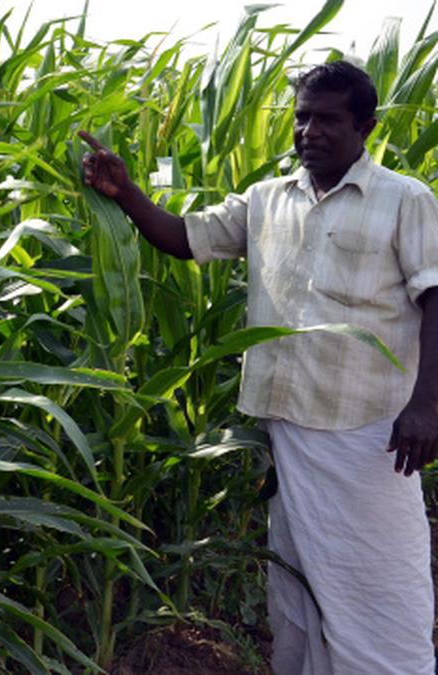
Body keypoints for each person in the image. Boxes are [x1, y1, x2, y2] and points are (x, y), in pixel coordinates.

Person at [79, 60, 438, 674]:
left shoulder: (405, 200)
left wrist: (428, 405)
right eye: (301, 118)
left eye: (328, 120)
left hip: (367, 433)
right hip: (288, 425)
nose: (309, 132)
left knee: (377, 583)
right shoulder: (268, 200)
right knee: (299, 585)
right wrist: (126, 192)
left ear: (366, 127)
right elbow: (183, 237)